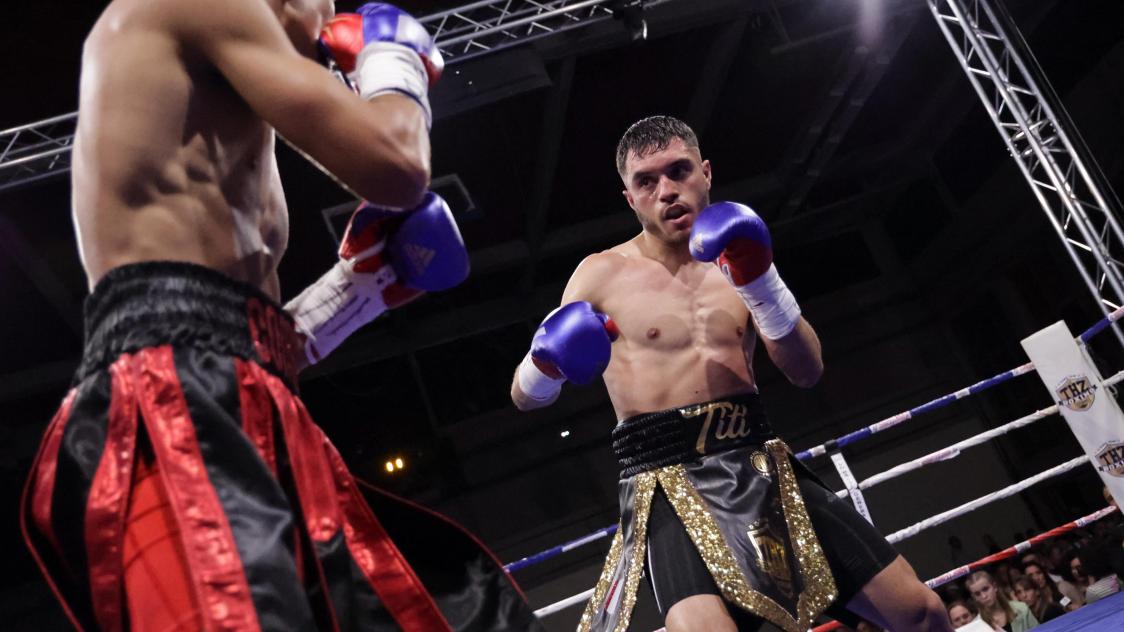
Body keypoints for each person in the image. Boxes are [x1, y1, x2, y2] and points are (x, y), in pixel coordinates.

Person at [20, 1, 540, 630]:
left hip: (245, 396)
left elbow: (234, 332)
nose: (330, 21)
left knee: (431, 611)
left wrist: (354, 293)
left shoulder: (224, 124)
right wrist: (393, 60)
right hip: (163, 403)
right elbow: (397, 165)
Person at [509, 115, 951, 631]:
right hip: (664, 481)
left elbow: (807, 371)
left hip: (757, 461)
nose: (666, 191)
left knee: (922, 613)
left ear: (706, 173)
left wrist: (759, 283)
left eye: (678, 171)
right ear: (630, 199)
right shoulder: (600, 273)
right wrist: (544, 365)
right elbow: (523, 397)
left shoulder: (738, 254)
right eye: (646, 182)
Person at [966, 571, 1038, 632]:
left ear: (995, 587)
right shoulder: (976, 627)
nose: (984, 596)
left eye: (985, 589)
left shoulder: (1021, 609)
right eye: (977, 594)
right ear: (974, 597)